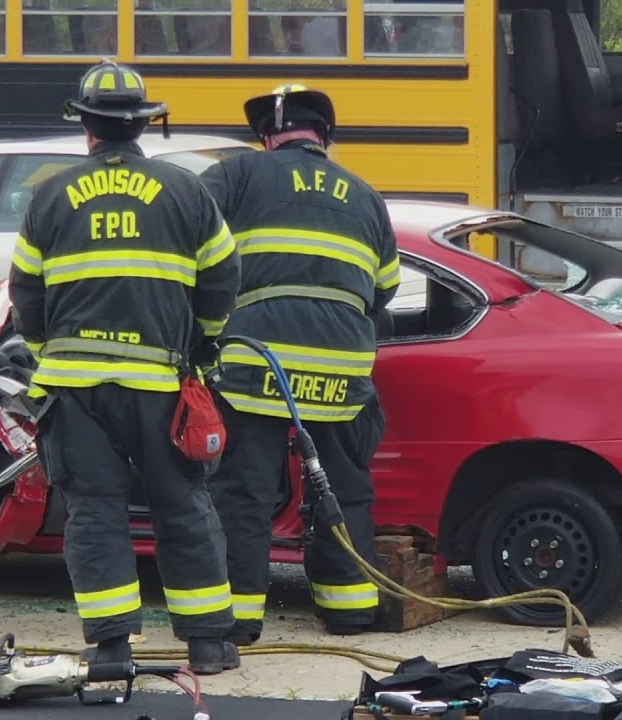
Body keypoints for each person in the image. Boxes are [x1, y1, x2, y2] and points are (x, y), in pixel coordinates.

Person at [7, 59, 243, 674]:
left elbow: (25, 295)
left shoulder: (49, 195)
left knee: (95, 512)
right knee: (183, 506)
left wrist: (46, 355)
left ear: (85, 126)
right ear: (143, 126)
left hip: (75, 391)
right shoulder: (187, 190)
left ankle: (111, 646)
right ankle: (210, 643)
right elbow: (222, 280)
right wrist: (203, 347)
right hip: (160, 386)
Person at [197, 83, 400, 645]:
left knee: (246, 492)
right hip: (340, 369)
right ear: (324, 138)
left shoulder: (237, 176)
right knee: (342, 487)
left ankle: (238, 619)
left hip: (257, 365)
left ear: (267, 138)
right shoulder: (365, 195)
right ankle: (350, 609)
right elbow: (384, 289)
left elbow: (187, 242)